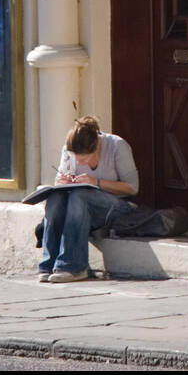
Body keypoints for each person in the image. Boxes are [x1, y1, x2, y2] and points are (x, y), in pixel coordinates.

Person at [38, 115, 138, 283]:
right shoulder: (69, 151)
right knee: (56, 196)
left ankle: (74, 266)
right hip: (77, 210)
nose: (77, 161)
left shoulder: (117, 146)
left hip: (116, 207)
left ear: (96, 148)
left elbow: (132, 187)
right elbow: (61, 179)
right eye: (74, 156)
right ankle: (48, 265)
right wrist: (61, 181)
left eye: (83, 159)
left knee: (80, 196)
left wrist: (96, 182)